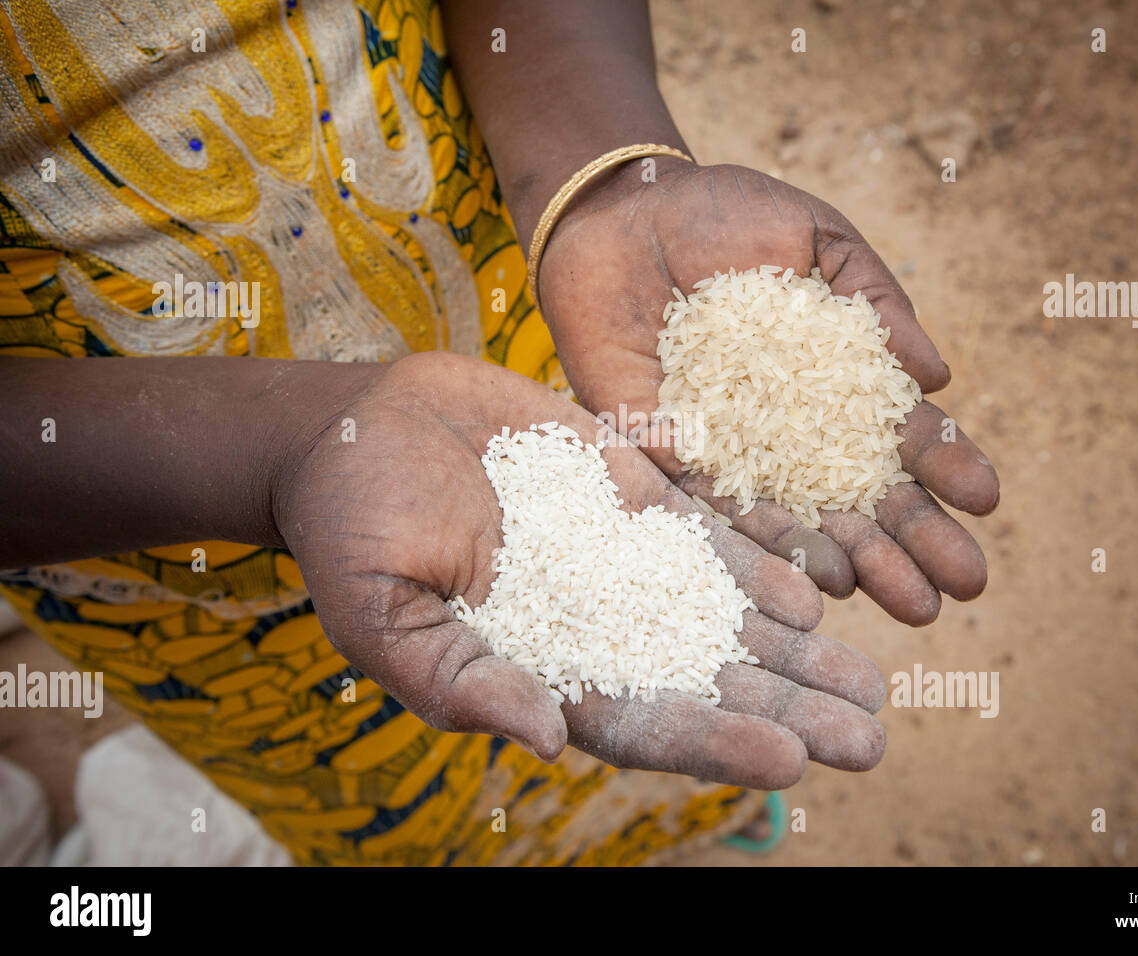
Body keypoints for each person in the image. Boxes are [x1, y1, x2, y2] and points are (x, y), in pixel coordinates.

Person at [0, 0, 998, 865]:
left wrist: (600, 180)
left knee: (644, 687)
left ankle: (661, 827)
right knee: (389, 779)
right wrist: (285, 452)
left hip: (508, 284)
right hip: (138, 499)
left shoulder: (605, 378)